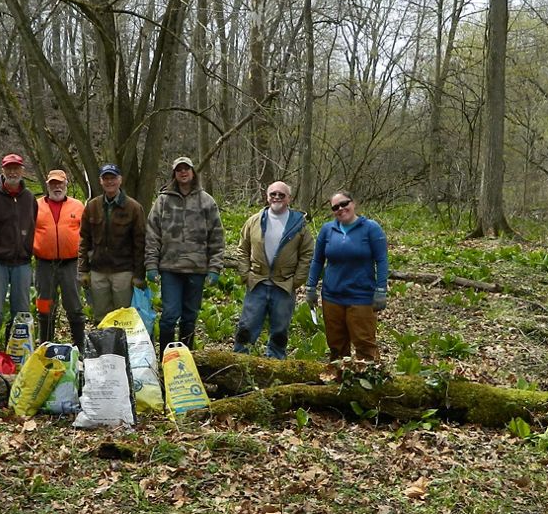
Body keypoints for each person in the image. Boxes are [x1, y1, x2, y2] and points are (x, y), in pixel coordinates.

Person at [145, 155, 225, 354]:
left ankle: (185, 357)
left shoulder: (206, 201)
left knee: (190, 317)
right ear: (174, 174)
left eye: (186, 169)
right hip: (170, 268)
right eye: (179, 169)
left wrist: (215, 268)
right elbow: (152, 235)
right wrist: (151, 265)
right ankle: (166, 357)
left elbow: (217, 237)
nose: (183, 172)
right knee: (169, 316)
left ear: (192, 172)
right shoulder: (163, 200)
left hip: (197, 268)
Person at [305, 190, 388, 362]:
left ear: (353, 203)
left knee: (364, 344)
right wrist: (310, 287)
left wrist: (381, 289)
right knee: (336, 345)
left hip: (361, 296)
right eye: (335, 207)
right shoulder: (327, 230)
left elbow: (381, 260)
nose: (341, 209)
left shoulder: (371, 228)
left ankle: (369, 376)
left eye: (344, 204)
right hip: (332, 296)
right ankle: (339, 375)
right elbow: (317, 260)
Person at [233, 181, 313, 359]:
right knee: (246, 327)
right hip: (257, 282)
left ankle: (275, 363)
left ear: (289, 198)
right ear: (267, 197)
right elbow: (242, 249)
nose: (277, 197)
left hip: (284, 284)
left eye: (281, 195)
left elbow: (307, 253)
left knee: (280, 330)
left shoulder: (299, 224)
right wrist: (245, 274)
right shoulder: (254, 221)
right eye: (273, 194)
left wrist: (297, 280)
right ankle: (239, 361)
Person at [0, 152, 38, 351]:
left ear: (22, 171)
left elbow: (34, 226)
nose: (12, 172)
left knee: (21, 313)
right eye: (9, 168)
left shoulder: (29, 198)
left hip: (22, 263)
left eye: (16, 168)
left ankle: (15, 354)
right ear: (2, 170)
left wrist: (26, 249)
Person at [78, 163, 147, 324]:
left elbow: (141, 243)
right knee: (101, 318)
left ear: (120, 180)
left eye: (113, 178)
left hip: (123, 272)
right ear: (101, 181)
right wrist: (83, 270)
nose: (110, 182)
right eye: (106, 178)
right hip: (98, 271)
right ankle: (104, 341)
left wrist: (139, 275)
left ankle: (122, 342)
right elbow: (84, 240)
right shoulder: (92, 206)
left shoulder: (133, 208)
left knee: (123, 318)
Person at [33, 169, 86, 348]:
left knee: (74, 306)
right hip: (44, 264)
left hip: (71, 263)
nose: (57, 187)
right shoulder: (36, 206)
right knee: (44, 306)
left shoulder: (78, 206)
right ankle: (45, 345)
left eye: (60, 183)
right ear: (47, 185)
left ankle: (79, 347)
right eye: (53, 184)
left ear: (66, 185)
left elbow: (87, 234)